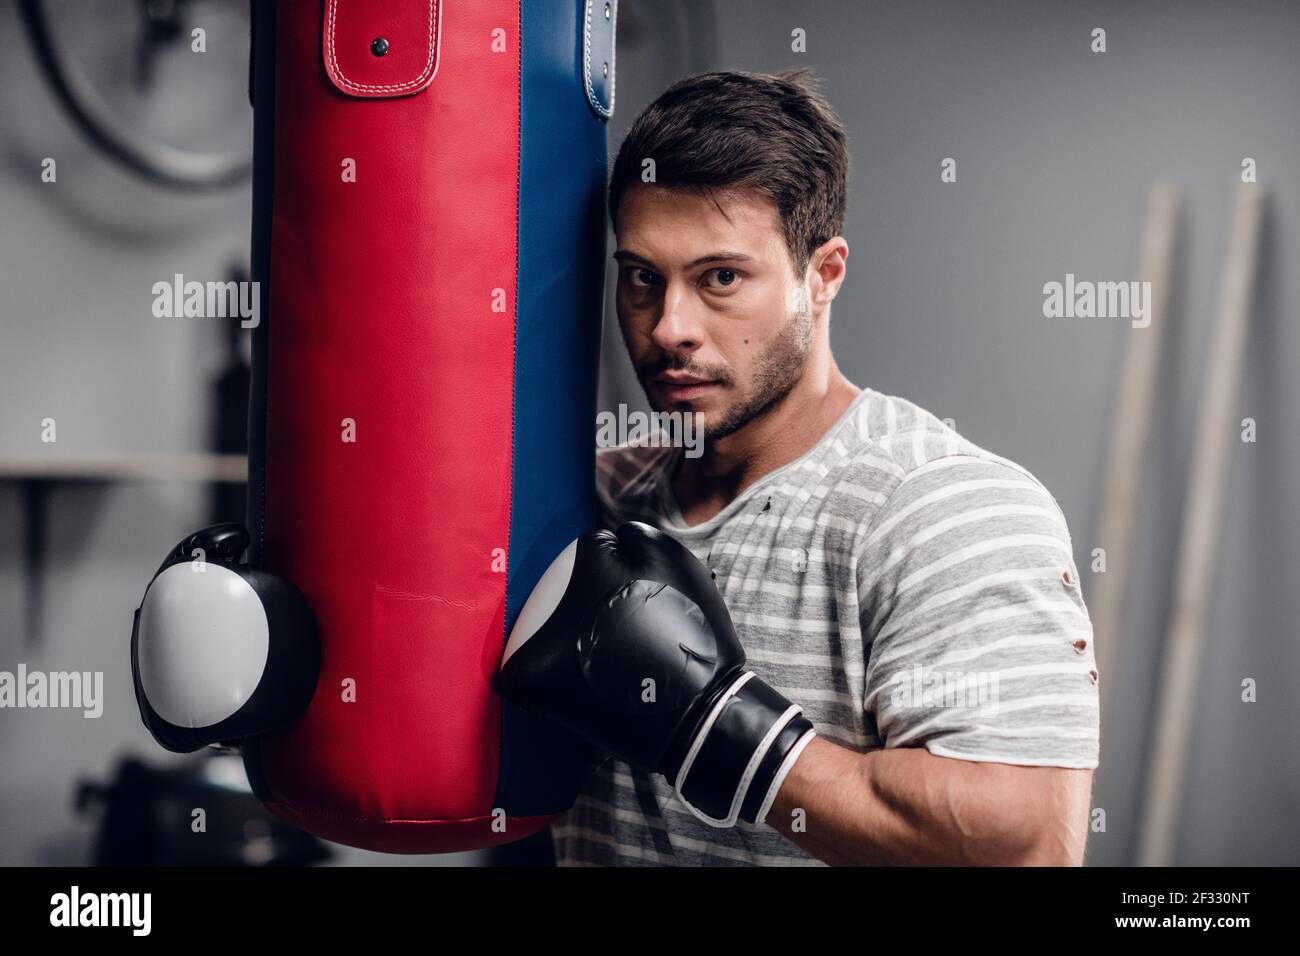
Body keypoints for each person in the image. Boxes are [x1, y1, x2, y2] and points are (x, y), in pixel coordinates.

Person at [548, 68, 1099, 866]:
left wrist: (712, 722)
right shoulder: (585, 503)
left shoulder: (937, 506)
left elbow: (1027, 845)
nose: (669, 327)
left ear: (823, 274)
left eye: (721, 278)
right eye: (643, 278)